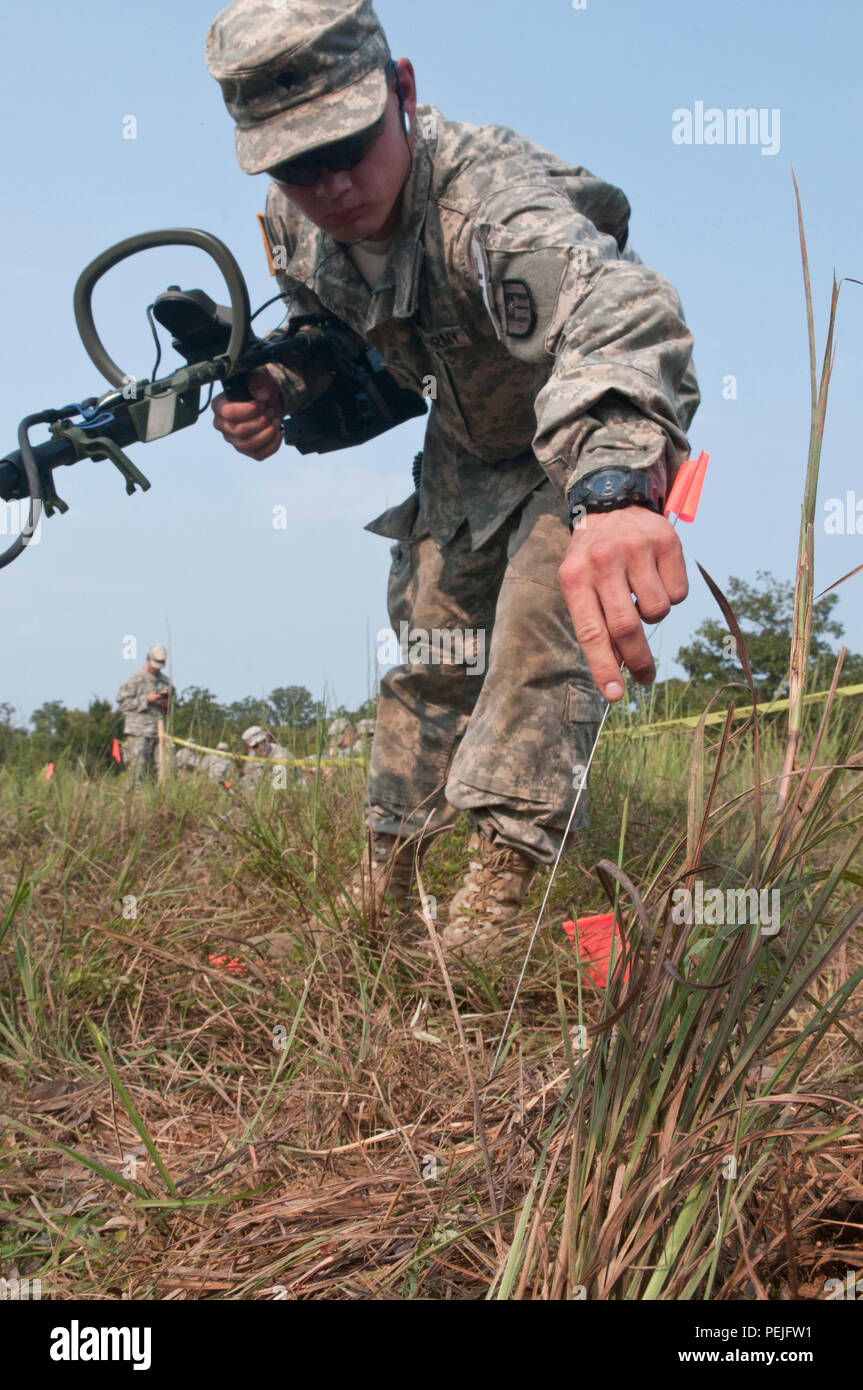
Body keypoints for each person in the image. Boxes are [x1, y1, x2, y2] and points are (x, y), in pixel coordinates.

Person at [206, 0, 699, 950]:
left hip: (582, 428)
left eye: (349, 143)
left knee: (537, 639)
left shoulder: (493, 206)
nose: (335, 184)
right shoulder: (295, 227)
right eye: (298, 166)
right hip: (467, 445)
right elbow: (343, 335)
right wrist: (279, 381)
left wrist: (611, 493)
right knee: (433, 658)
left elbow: (625, 311)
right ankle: (382, 892)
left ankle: (492, 913)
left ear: (402, 92)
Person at [116, 644, 175, 779]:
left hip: (160, 734)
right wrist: (146, 700)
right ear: (148, 659)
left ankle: (162, 799)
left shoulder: (165, 681)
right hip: (138, 733)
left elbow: (172, 708)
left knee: (167, 772)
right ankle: (134, 800)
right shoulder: (134, 679)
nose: (156, 669)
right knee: (137, 773)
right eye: (154, 665)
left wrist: (167, 702)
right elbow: (123, 704)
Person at [240, 725, 290, 791]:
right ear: (250, 748)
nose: (260, 747)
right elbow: (248, 778)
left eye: (263, 742)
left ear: (267, 739)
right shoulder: (251, 758)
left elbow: (280, 786)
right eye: (255, 746)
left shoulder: (281, 754)